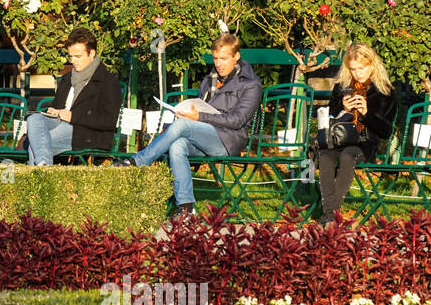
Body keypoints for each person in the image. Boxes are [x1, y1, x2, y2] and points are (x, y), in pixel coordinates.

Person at [115, 33, 261, 219]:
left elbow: (237, 121)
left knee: (182, 126)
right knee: (177, 145)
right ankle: (186, 209)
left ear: (236, 56)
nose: (218, 63)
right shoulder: (210, 80)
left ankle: (138, 162)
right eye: (216, 58)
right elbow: (200, 109)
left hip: (228, 140)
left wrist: (199, 116)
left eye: (223, 58)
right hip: (205, 137)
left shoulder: (251, 84)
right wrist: (187, 115)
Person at [317, 42, 398, 219]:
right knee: (325, 156)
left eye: (362, 68)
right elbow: (329, 119)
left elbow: (385, 131)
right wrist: (343, 110)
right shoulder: (342, 88)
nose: (358, 73)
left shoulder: (384, 91)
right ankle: (329, 213)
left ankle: (331, 214)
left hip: (365, 143)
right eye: (353, 69)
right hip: (338, 140)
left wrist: (366, 113)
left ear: (372, 65)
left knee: (348, 155)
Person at [23, 28, 120, 165]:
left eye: (78, 56)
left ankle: (42, 171)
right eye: (71, 56)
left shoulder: (107, 81)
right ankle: (44, 167)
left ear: (91, 53)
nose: (73, 61)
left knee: (38, 144)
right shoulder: (68, 78)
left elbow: (109, 121)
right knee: (34, 118)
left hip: (86, 131)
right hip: (60, 122)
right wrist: (55, 111)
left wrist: (73, 117)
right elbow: (59, 107)